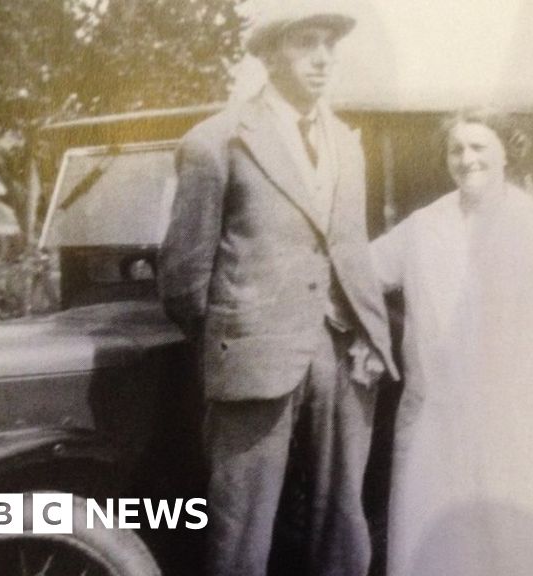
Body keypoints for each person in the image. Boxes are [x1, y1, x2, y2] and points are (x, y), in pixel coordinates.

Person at [156, 2, 396, 575]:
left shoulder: (345, 141)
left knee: (341, 524)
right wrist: (237, 335)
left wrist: (367, 333)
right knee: (241, 530)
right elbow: (184, 277)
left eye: (329, 46)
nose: (321, 58)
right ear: (268, 56)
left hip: (339, 359)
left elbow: (351, 250)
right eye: (305, 43)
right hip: (254, 359)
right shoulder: (216, 141)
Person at [371, 109, 533, 576]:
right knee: (434, 550)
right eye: (457, 149)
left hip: (518, 426)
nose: (467, 159)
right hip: (440, 423)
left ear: (504, 153)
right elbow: (362, 274)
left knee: (510, 550)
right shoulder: (423, 227)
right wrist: (365, 335)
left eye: (479, 147)